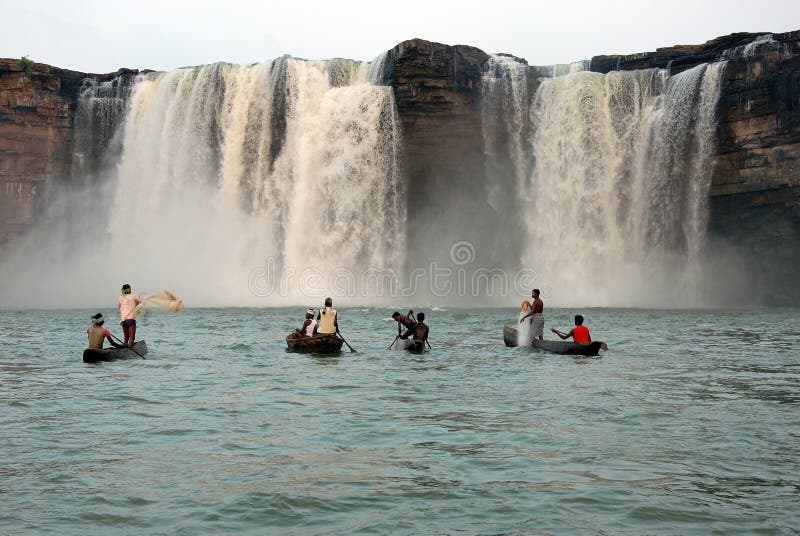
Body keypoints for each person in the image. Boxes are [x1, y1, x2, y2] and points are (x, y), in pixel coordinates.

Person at [118, 283, 142, 348]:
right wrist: (139, 298)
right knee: (132, 337)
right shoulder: (133, 296)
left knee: (126, 338)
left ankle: (124, 348)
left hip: (123, 320)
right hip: (131, 319)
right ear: (129, 289)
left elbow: (119, 307)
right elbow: (140, 301)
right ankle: (129, 350)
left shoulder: (120, 297)